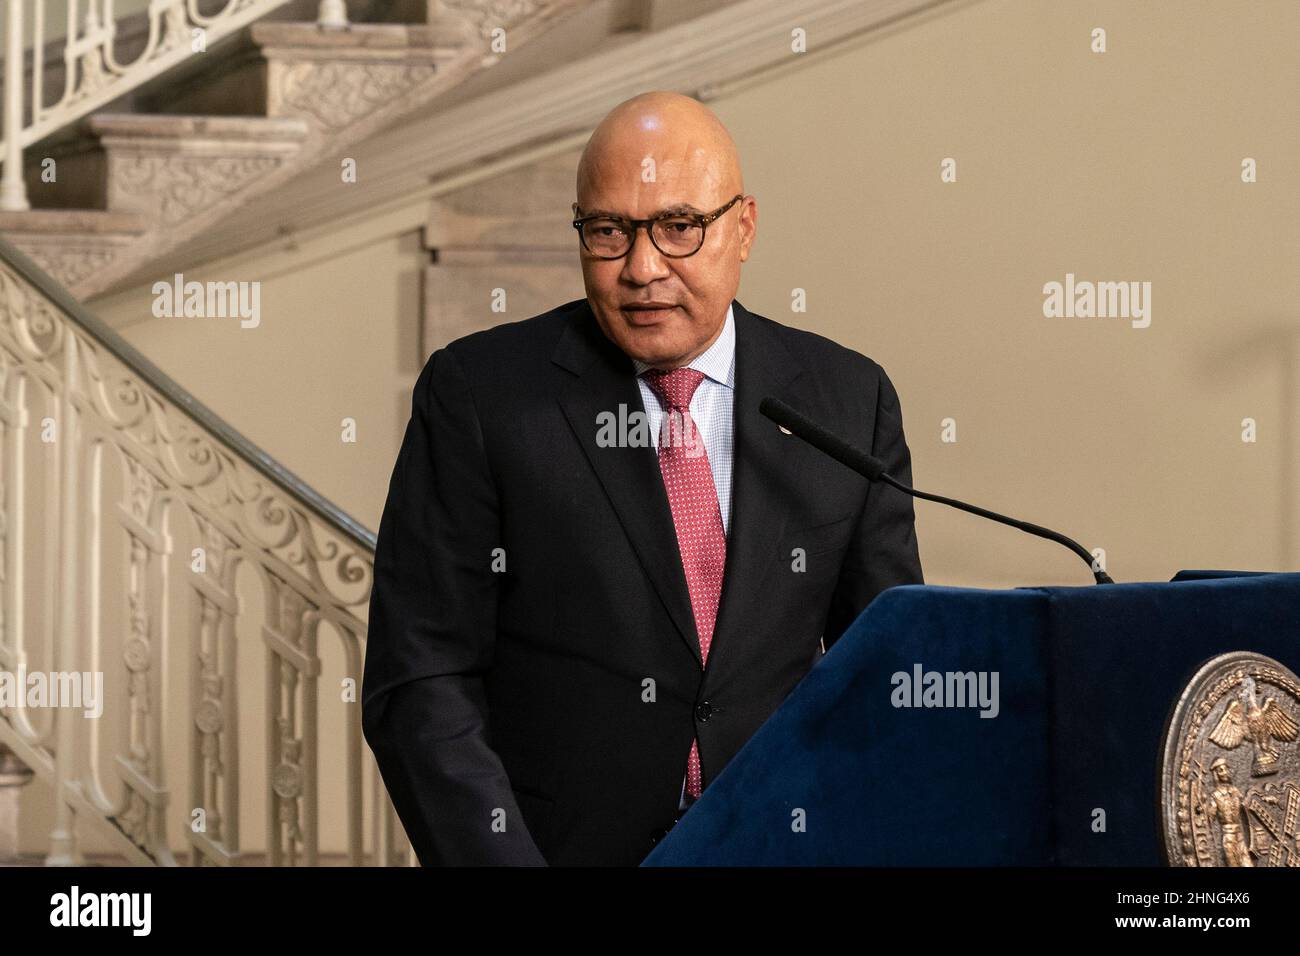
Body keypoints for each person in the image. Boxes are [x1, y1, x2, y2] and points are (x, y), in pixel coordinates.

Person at [361, 91, 923, 866]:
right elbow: (421, 678)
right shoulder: (482, 397)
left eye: (679, 227)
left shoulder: (847, 400)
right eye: (608, 232)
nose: (642, 268)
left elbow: (884, 671)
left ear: (744, 227)